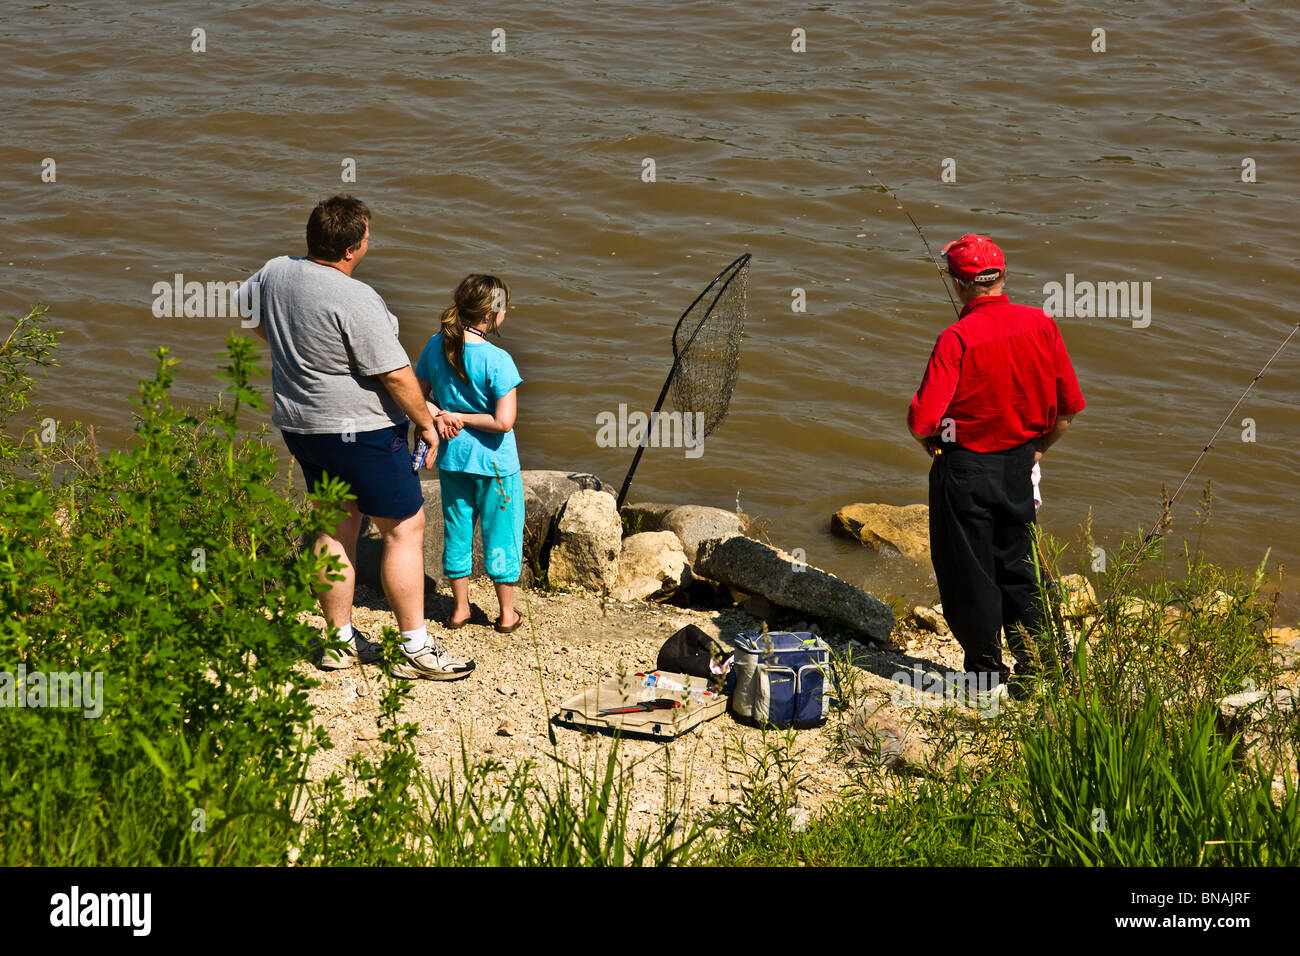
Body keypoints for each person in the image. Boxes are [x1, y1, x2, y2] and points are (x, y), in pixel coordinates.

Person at [245, 195, 474, 681]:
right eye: (367, 236)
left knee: (336, 524)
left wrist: (293, 348)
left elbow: (249, 315)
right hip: (362, 432)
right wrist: (428, 423)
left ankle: (337, 642)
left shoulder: (275, 272)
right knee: (405, 529)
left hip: (302, 425)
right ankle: (415, 648)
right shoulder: (356, 298)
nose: (369, 242)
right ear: (352, 249)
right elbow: (393, 374)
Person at [906, 234, 1085, 697]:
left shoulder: (957, 337)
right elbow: (1067, 410)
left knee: (969, 571)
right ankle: (1041, 664)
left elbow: (922, 419)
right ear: (1002, 277)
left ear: (959, 285)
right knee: (1020, 563)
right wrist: (1038, 449)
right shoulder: (1041, 324)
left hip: (965, 467)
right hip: (1019, 464)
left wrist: (932, 443)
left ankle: (984, 676)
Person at [415, 275, 525, 634]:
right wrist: (461, 416)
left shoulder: (436, 346)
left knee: (457, 533)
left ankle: (460, 609)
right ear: (494, 314)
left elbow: (418, 398)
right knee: (501, 536)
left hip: (453, 460)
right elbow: (503, 422)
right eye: (503, 305)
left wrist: (443, 415)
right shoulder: (498, 360)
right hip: (496, 466)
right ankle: (507, 614)